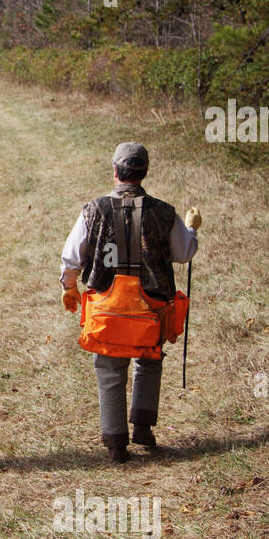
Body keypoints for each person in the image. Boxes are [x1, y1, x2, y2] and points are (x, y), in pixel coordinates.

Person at [60, 143, 201, 462]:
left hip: (106, 308)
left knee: (110, 367)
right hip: (151, 308)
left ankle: (115, 444)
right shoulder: (165, 212)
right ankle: (143, 428)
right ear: (144, 173)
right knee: (149, 360)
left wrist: (68, 287)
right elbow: (184, 253)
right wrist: (192, 228)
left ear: (115, 172)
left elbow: (71, 256)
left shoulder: (93, 210)